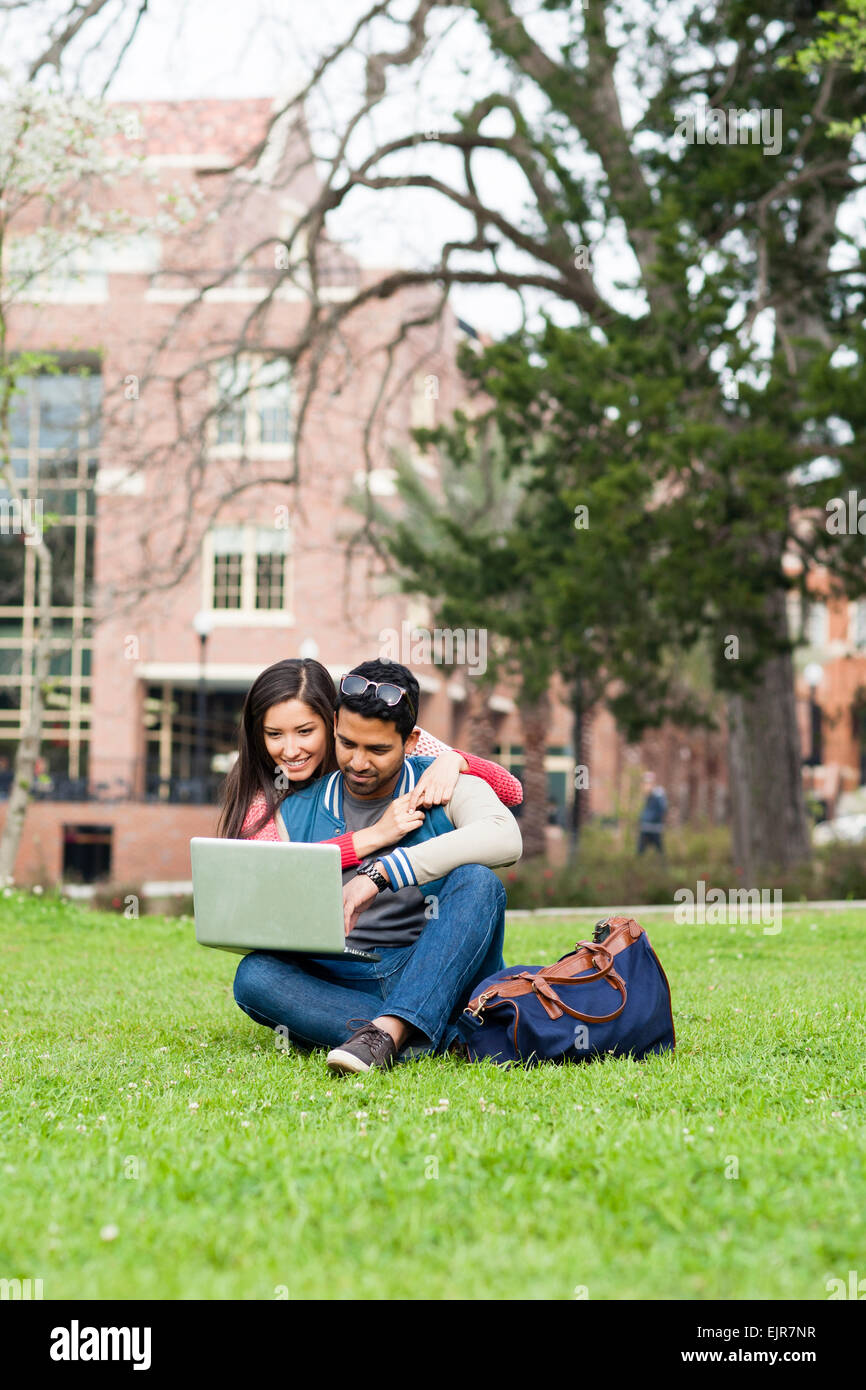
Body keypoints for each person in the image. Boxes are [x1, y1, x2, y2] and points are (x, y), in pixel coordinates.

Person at [231, 659, 523, 1073]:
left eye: (378, 749)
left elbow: (505, 838)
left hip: (438, 964)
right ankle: (429, 1032)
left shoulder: (444, 783)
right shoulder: (292, 810)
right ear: (333, 725)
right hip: (344, 973)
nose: (359, 762)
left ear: (411, 741)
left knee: (477, 881)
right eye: (347, 743)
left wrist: (384, 871)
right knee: (254, 976)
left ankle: (385, 1030)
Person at [217, 657, 522, 864]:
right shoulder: (261, 792)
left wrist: (455, 760)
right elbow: (276, 870)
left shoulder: (379, 738)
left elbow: (512, 791)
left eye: (305, 731)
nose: (291, 749)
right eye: (274, 734)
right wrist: (373, 836)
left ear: (331, 723)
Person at [637, 773, 667, 855]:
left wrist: (647, 818)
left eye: (648, 783)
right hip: (645, 827)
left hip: (655, 828)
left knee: (660, 851)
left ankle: (662, 866)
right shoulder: (647, 795)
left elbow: (662, 810)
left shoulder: (658, 794)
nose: (646, 785)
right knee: (640, 851)